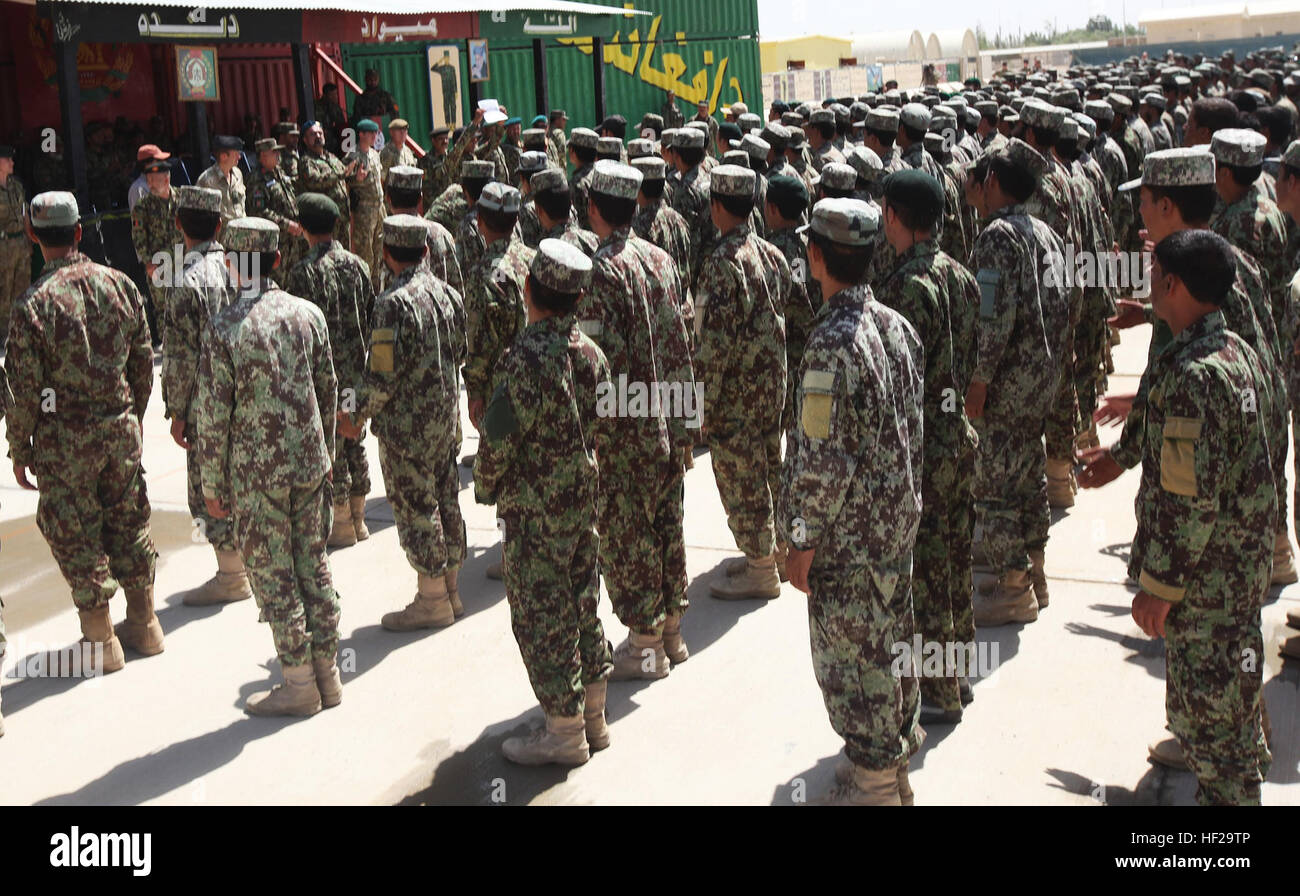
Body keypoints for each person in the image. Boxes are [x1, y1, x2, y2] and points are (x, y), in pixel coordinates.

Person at [779, 197, 924, 805]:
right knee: (891, 649)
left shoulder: (830, 345)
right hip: (894, 529)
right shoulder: (897, 326)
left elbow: (821, 461)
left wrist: (800, 541)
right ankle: (890, 766)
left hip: (849, 540)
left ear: (817, 255)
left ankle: (875, 787)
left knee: (852, 665)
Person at [1127, 229, 1276, 805]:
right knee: (1222, 729)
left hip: (1205, 586)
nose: (1149, 286)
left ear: (1174, 284)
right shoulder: (1237, 352)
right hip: (1233, 576)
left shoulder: (1194, 376)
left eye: (1154, 275)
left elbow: (1190, 501)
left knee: (1215, 738)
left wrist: (1159, 587)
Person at [4, 191, 159, 673]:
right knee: (129, 521)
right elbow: (143, 361)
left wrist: (19, 446)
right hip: (120, 430)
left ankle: (101, 639)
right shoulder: (120, 285)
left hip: (65, 444)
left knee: (75, 532)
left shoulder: (33, 306)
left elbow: (22, 391)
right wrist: (131, 413)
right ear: (78, 232)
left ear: (32, 235)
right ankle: (146, 623)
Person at [473, 238, 614, 766]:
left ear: (529, 290)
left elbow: (499, 438)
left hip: (536, 516)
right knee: (582, 603)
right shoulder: (592, 354)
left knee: (541, 618)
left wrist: (486, 487)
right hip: (582, 505)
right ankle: (594, 716)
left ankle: (563, 731)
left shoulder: (523, 359)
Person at [196, 217, 342, 717]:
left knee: (275, 575)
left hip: (257, 477)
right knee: (314, 564)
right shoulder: (308, 315)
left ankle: (300, 683)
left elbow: (213, 412)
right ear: (278, 260)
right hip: (308, 465)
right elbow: (329, 390)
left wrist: (211, 482)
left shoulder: (224, 328)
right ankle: (329, 673)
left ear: (233, 265)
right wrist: (328, 459)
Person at [577, 160, 695, 676]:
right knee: (668, 523)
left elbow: (603, 361)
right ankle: (671, 633)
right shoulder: (661, 259)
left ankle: (645, 645)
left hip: (629, 425)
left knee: (629, 534)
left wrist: (596, 432)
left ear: (597, 209)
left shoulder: (602, 271)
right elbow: (682, 337)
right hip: (669, 414)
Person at [875, 170, 980, 721]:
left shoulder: (905, 289)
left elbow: (901, 383)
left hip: (924, 450)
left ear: (895, 215)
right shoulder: (959, 276)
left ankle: (940, 691)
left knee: (927, 570)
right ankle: (957, 675)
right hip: (956, 437)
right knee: (954, 560)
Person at [338, 215, 467, 629]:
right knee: (447, 498)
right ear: (425, 251)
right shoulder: (449, 294)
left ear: (388, 255)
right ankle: (451, 591)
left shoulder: (391, 304)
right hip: (446, 420)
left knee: (416, 508)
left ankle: (432, 601)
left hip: (407, 431)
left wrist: (353, 414)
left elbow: (381, 375)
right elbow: (460, 353)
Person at [965, 141, 1070, 626]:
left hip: (1008, 382)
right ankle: (1035, 573)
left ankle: (1013, 586)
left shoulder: (997, 237)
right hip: (1042, 378)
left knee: (992, 486)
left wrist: (980, 379)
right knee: (1027, 477)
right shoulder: (1045, 233)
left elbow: (993, 317)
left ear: (990, 184)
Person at [694, 165, 789, 599]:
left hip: (737, 398)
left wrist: (702, 406)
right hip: (772, 388)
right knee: (770, 468)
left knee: (741, 479)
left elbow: (714, 347)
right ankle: (776, 549)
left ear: (717, 207)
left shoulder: (722, 265)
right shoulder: (771, 253)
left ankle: (761, 567)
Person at [165, 186, 255, 607]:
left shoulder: (186, 282)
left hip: (206, 401)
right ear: (220, 225)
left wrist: (177, 411)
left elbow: (181, 358)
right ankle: (250, 561)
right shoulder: (242, 268)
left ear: (179, 225)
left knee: (209, 487)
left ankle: (232, 574)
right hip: (247, 391)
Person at [284, 194, 375, 549]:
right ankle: (360, 518)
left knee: (330, 444)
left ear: (303, 228)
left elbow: (297, 331)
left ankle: (340, 524)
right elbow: (370, 316)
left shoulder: (302, 273)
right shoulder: (358, 265)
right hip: (353, 376)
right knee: (354, 439)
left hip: (323, 379)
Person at [464, 183, 534, 579]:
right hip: (538, 375)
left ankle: (513, 553)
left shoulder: (483, 274)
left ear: (480, 222)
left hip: (502, 389)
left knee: (505, 471)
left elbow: (481, 343)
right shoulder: (532, 257)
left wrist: (475, 393)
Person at [384, 165, 463, 294]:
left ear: (388, 198)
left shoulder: (389, 238)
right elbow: (457, 291)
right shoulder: (442, 234)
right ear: (420, 198)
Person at [129, 157, 179, 344]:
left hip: (184, 263)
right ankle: (169, 352)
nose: (149, 184)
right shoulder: (143, 207)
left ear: (166, 179)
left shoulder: (182, 200)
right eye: (148, 179)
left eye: (153, 180)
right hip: (159, 265)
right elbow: (139, 238)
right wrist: (148, 262)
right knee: (163, 312)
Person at [247, 137, 305, 276]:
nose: (278, 155)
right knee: (280, 279)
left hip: (293, 239)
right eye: (274, 152)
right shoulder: (257, 179)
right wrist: (287, 224)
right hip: (277, 242)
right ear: (263, 155)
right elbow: (259, 212)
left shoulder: (279, 171)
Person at [297, 121, 352, 250]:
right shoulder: (306, 161)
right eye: (313, 134)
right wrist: (340, 174)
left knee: (344, 253)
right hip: (326, 219)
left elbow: (345, 174)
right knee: (328, 254)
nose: (318, 136)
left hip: (343, 216)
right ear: (305, 140)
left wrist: (355, 175)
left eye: (320, 133)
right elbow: (314, 181)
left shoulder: (331, 156)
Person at [345, 119, 385, 289]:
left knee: (380, 249)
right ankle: (366, 290)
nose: (374, 136)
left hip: (379, 208)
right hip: (364, 210)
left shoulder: (375, 154)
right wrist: (356, 179)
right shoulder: (352, 156)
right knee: (365, 252)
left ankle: (377, 287)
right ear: (361, 134)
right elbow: (343, 182)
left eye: (376, 133)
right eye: (371, 133)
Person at [0, 145, 30, 346]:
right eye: (7, 159)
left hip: (20, 244)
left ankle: (21, 331)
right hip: (3, 245)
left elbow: (24, 213)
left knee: (22, 290)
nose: (12, 162)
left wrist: (30, 238)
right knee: (4, 290)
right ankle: (4, 334)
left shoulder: (16, 186)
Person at [196, 135, 247, 232]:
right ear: (224, 156)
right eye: (236, 154)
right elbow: (199, 216)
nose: (239, 157)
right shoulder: (206, 180)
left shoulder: (237, 174)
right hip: (220, 239)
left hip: (241, 236)